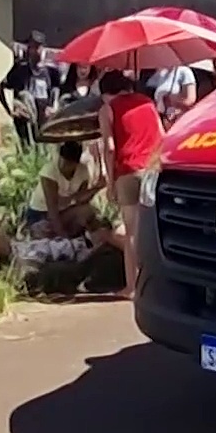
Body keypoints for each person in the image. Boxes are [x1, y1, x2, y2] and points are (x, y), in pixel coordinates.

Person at [96, 69, 160, 292]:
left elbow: (110, 148)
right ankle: (155, 284)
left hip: (127, 171)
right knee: (152, 231)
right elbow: (162, 134)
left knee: (131, 234)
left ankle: (132, 287)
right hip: (152, 171)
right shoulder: (147, 103)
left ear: (106, 93)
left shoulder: (107, 110)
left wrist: (111, 182)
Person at [22, 140, 101, 237]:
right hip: (41, 214)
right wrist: (62, 235)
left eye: (68, 164)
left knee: (86, 211)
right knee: (43, 230)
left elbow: (81, 201)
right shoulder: (49, 172)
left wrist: (96, 189)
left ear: (75, 164)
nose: (64, 166)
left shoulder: (83, 171)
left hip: (64, 212)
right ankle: (61, 236)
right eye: (63, 161)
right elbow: (52, 208)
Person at [1, 30, 56, 143]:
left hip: (44, 121)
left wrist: (52, 106)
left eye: (37, 47)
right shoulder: (20, 69)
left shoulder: (50, 71)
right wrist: (10, 110)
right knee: (27, 151)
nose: (34, 51)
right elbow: (1, 87)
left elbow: (57, 90)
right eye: (31, 47)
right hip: (25, 121)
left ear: (43, 48)